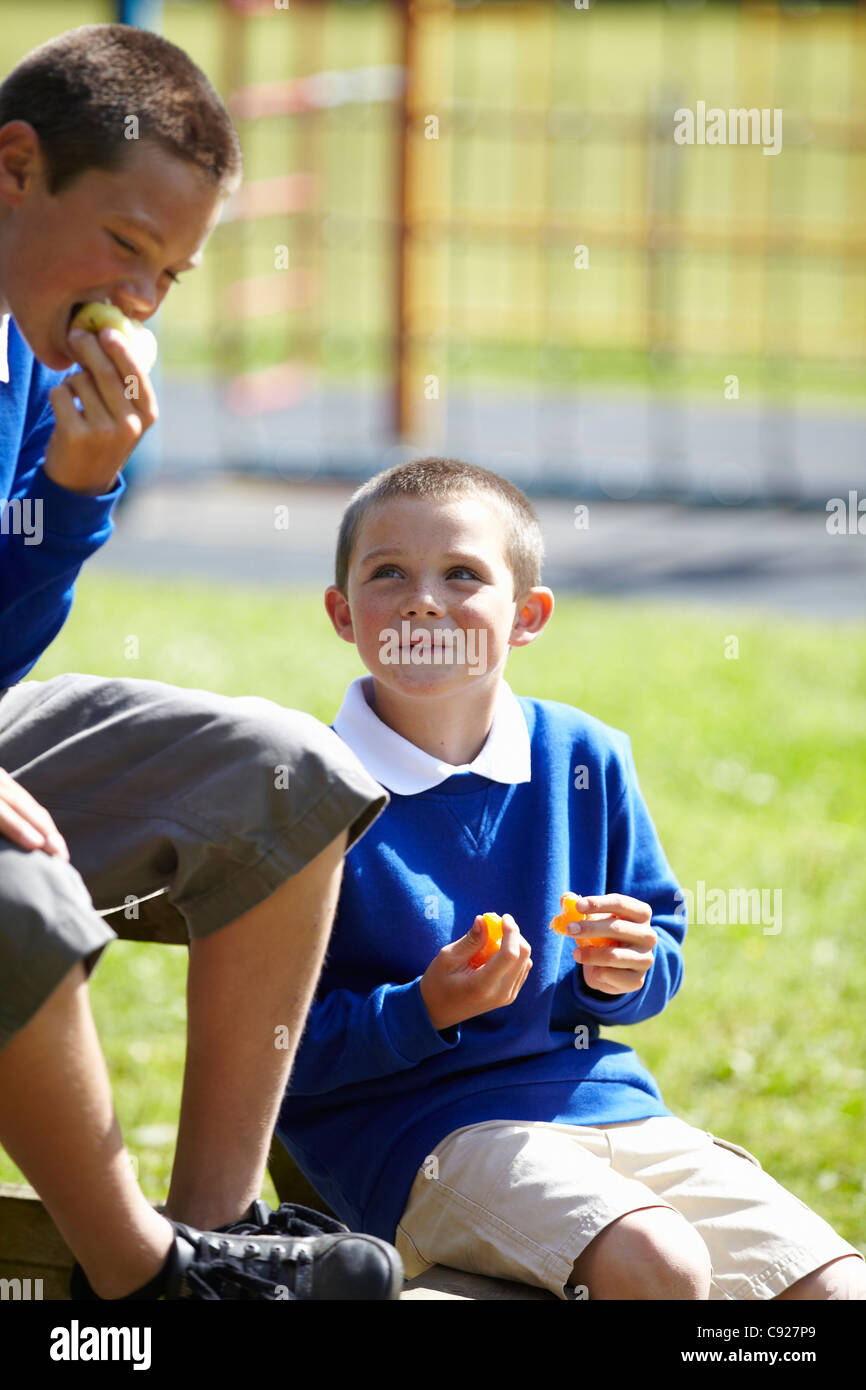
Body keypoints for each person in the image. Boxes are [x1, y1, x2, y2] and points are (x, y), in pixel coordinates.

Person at [0, 24, 403, 1301]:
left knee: (286, 773)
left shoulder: (25, 348)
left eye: (170, 275)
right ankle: (153, 1285)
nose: (139, 300)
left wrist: (73, 490)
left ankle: (218, 1225)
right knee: (19, 901)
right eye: (126, 249)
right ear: (13, 167)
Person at [274, 455, 866, 1300]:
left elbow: (656, 948)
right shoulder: (309, 786)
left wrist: (623, 971)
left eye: (463, 574)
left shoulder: (584, 756)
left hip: (615, 1111)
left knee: (836, 1293)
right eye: (389, 573)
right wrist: (422, 1011)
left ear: (527, 616)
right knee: (659, 1267)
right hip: (427, 1140)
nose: (423, 599)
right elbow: (275, 1050)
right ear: (342, 612)